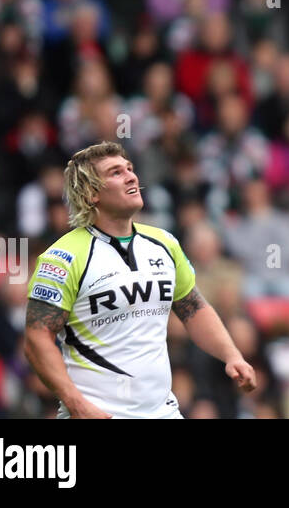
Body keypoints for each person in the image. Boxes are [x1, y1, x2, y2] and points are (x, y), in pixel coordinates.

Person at [23, 142, 256, 418]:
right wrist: (76, 404)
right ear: (91, 193)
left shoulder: (164, 243)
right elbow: (36, 339)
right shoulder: (62, 258)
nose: (131, 176)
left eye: (130, 169)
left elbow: (193, 308)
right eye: (115, 172)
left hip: (163, 412)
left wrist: (231, 355)